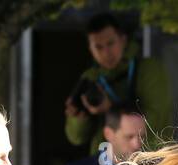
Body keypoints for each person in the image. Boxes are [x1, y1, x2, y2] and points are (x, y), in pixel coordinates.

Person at [63, 13, 170, 156]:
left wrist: (110, 109)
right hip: (104, 162)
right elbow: (76, 138)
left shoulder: (148, 69)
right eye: (98, 47)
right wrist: (78, 118)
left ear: (123, 40)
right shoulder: (91, 77)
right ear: (90, 49)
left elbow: (157, 120)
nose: (106, 53)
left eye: (110, 43)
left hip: (145, 160)